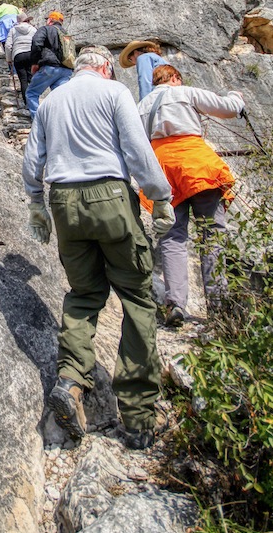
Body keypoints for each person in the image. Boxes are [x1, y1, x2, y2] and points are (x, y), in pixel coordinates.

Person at [22, 47, 175, 449]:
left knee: (84, 293)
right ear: (106, 67)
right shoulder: (113, 92)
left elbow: (32, 158)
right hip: (110, 196)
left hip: (63, 202)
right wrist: (160, 196)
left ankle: (70, 381)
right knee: (137, 298)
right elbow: (137, 150)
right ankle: (138, 417)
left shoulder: (51, 101)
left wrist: (37, 204)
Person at [137, 64, 245, 326]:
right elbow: (227, 108)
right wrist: (237, 98)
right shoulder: (185, 92)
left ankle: (175, 303)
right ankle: (218, 307)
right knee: (212, 234)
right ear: (175, 78)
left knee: (172, 236)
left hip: (163, 169)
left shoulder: (143, 105)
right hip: (195, 165)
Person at [24, 12, 73, 119]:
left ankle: (38, 122)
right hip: (66, 70)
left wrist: (34, 63)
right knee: (60, 97)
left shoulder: (45, 29)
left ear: (50, 20)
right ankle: (62, 122)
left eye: (47, 19)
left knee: (31, 93)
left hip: (50, 68)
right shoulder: (66, 34)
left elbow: (36, 43)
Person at [4, 14, 37, 103]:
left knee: (23, 79)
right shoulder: (33, 29)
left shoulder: (13, 30)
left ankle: (26, 102)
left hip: (18, 55)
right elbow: (37, 42)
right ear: (27, 21)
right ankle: (34, 100)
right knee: (31, 78)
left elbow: (8, 46)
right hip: (31, 54)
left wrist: (9, 59)